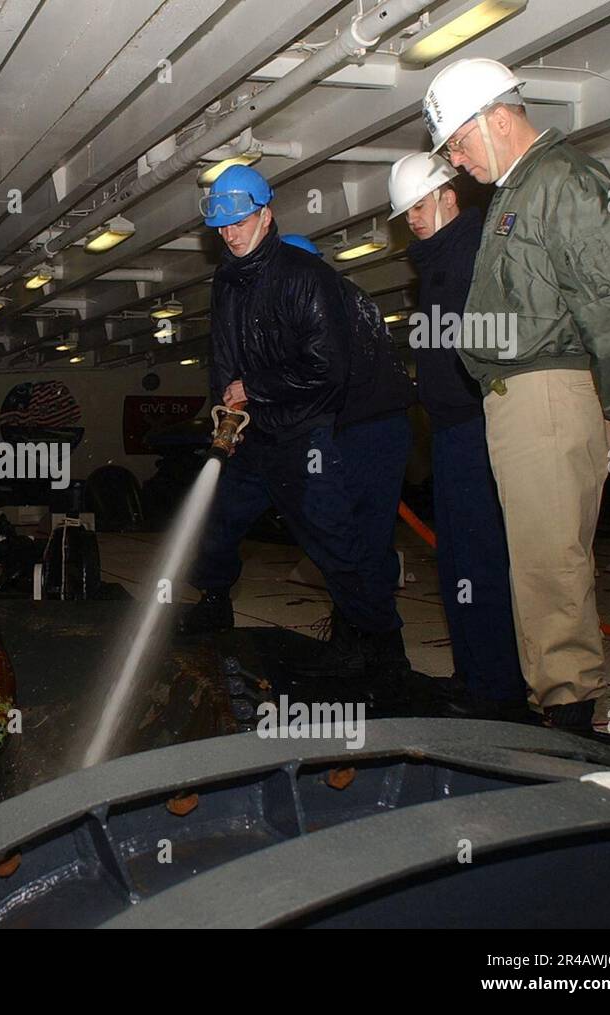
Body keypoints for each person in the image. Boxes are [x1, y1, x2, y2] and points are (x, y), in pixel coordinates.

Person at [422, 58, 610, 731]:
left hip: (547, 395)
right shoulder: (518, 188)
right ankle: (552, 699)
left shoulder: (561, 181)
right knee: (533, 560)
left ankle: (569, 713)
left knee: (550, 561)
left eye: (459, 143)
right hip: (522, 398)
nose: (456, 162)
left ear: (498, 118)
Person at [180, 166, 410, 691]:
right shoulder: (227, 278)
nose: (230, 234)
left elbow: (326, 369)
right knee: (216, 518)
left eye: (239, 222)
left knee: (336, 542)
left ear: (266, 215)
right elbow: (224, 352)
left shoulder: (305, 276)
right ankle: (214, 604)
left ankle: (382, 647)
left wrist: (253, 390)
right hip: (255, 428)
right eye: (221, 227)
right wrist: (226, 404)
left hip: (303, 431)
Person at [387, 154, 529, 722]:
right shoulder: (438, 261)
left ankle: (498, 689)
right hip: (449, 429)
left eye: (420, 207)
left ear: (448, 195)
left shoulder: (474, 251)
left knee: (482, 557)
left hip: (478, 425)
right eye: (406, 213)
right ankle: (473, 676)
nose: (413, 220)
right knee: (458, 563)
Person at [281, 234, 415, 674]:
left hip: (364, 429)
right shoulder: (348, 295)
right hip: (381, 426)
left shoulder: (320, 302)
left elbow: (317, 378)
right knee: (360, 539)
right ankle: (370, 641)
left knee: (351, 540)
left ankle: (370, 642)